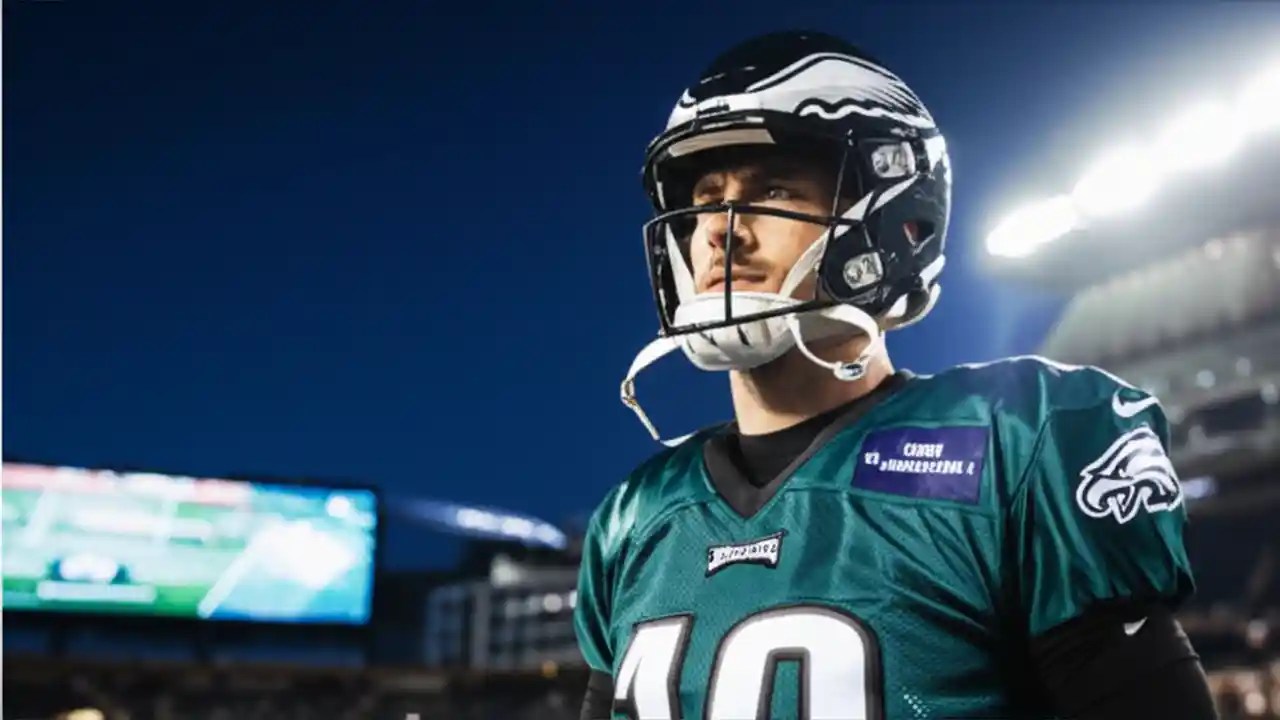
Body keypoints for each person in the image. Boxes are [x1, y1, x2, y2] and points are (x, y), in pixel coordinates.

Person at [574, 29, 1218, 720]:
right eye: (705, 198)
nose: (720, 231)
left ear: (890, 218)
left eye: (774, 188)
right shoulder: (634, 518)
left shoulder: (1016, 446)